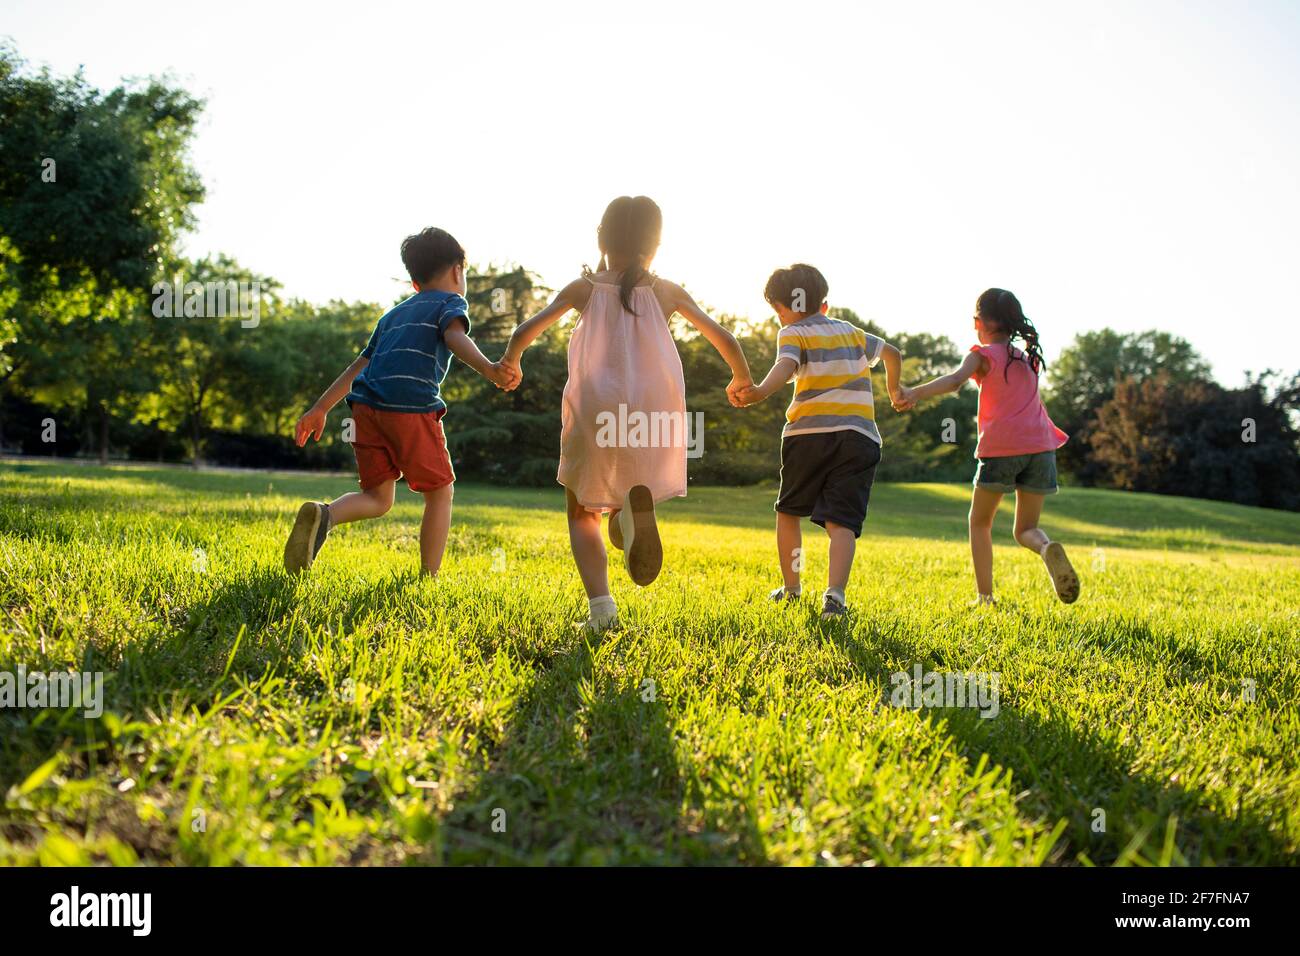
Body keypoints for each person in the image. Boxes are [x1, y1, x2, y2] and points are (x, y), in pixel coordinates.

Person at [501, 196, 753, 632]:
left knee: (582, 511)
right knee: (630, 482)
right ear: (655, 245)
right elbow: (725, 337)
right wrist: (741, 379)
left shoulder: (583, 288)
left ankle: (602, 609)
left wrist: (511, 362)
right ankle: (627, 517)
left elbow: (525, 331)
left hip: (596, 402)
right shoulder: (666, 290)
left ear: (601, 237)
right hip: (654, 405)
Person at [284, 227, 517, 575]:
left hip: (365, 406)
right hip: (410, 407)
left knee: (378, 499)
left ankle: (326, 515)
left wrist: (320, 408)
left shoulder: (391, 317)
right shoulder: (450, 303)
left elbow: (358, 366)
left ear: (415, 283)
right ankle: (428, 576)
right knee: (440, 492)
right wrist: (490, 368)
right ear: (457, 270)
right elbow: (454, 336)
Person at [895, 288, 1078, 605]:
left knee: (979, 522)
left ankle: (985, 597)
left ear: (977, 321)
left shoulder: (981, 354)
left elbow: (954, 381)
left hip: (1002, 448)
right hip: (1041, 448)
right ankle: (1046, 547)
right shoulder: (1027, 359)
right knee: (1026, 530)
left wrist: (913, 393)